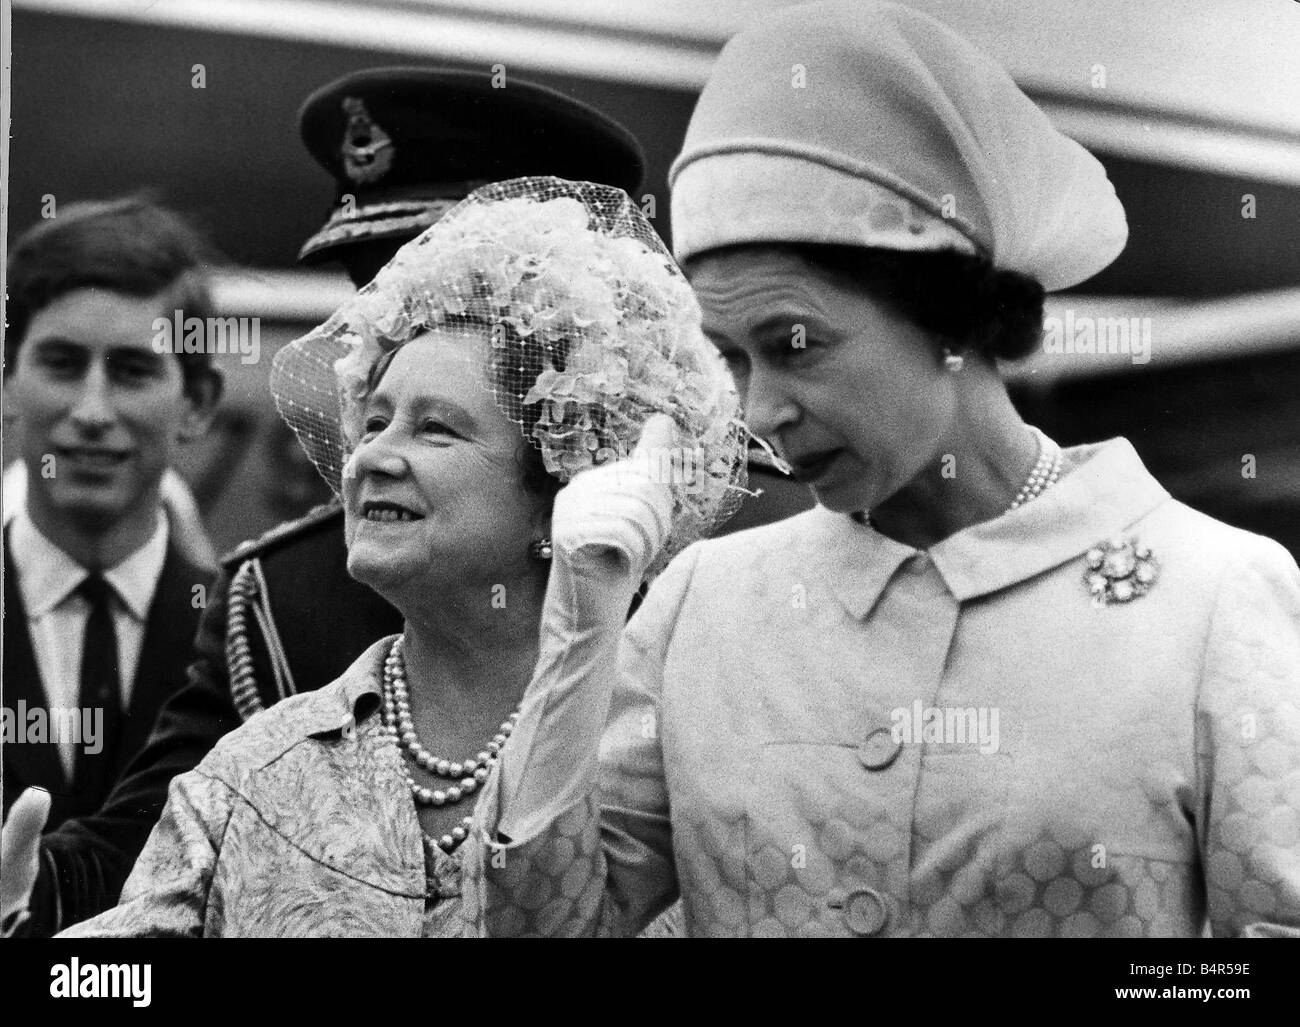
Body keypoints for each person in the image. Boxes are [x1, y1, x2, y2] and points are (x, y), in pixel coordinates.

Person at [461, 1, 1300, 937]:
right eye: (731, 357)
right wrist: (584, 619)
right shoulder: (702, 603)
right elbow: (537, 929)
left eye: (795, 343)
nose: (760, 412)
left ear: (951, 321)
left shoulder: (1216, 596)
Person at [0, 67, 654, 937]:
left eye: (464, 304)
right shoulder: (281, 606)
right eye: (378, 307)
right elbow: (138, 887)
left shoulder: (680, 633)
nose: (394, 338)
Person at [1, 198, 223, 935]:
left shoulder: (252, 643)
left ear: (196, 403)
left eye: (131, 370)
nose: (92, 410)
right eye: (63, 363)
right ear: (6, 382)